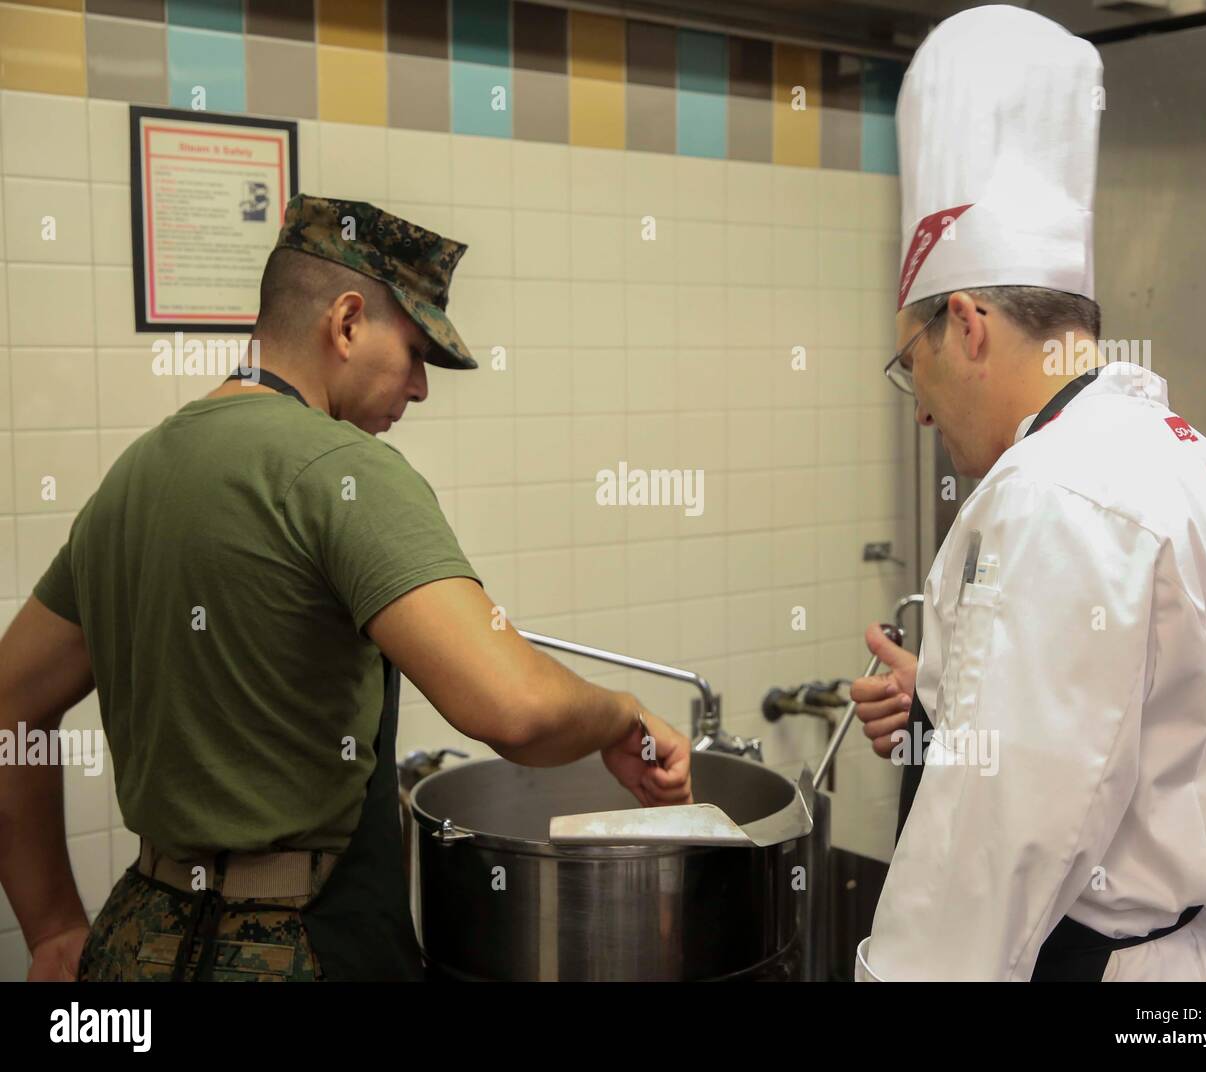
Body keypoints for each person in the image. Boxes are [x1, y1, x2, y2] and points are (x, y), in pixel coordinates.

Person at [0, 195, 691, 982]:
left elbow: (9, 703)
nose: (422, 388)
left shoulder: (131, 479)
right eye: (417, 351)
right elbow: (518, 710)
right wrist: (621, 714)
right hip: (300, 950)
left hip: (134, 944)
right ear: (348, 322)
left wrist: (55, 927)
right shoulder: (343, 470)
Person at [849, 6, 1206, 981]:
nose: (918, 408)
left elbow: (995, 850)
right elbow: (1145, 727)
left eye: (908, 363)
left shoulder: (1051, 495)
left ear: (966, 324)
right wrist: (944, 688)